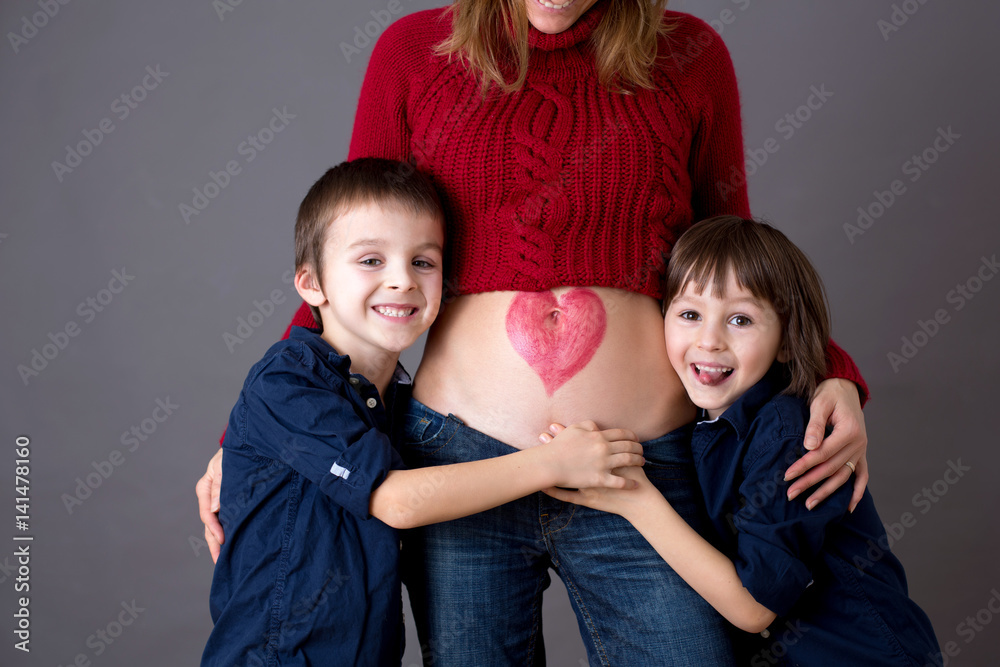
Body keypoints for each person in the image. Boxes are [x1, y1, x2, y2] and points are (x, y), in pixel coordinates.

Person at [198, 2, 874, 663]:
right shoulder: (412, 52)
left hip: (637, 461)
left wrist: (828, 369)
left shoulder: (689, 54)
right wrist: (248, 437)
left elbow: (736, 250)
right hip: (455, 460)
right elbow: (349, 249)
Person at [201, 158, 645, 666]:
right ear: (311, 285)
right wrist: (554, 463)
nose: (402, 281)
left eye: (423, 262)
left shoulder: (393, 404)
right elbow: (396, 501)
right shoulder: (288, 381)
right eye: (371, 260)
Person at [545, 216, 940, 665]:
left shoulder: (790, 435)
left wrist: (636, 500)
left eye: (740, 319)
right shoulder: (705, 422)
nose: (709, 340)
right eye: (690, 314)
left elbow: (754, 608)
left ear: (786, 341)